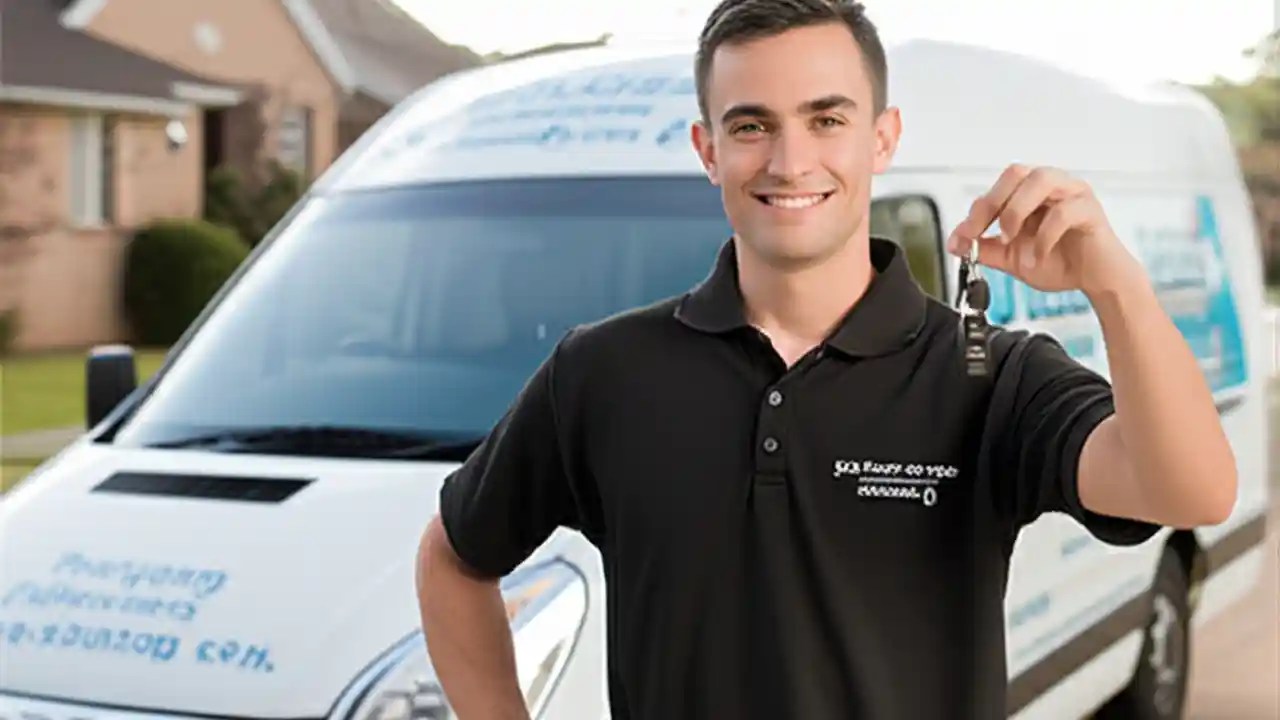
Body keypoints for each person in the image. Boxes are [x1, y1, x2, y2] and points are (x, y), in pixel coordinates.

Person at [414, 1, 1239, 718]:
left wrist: (1115, 287)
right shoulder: (603, 372)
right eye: (751, 125)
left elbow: (1192, 489)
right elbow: (454, 557)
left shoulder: (988, 374)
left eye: (826, 119)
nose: (788, 160)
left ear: (883, 139)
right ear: (708, 149)